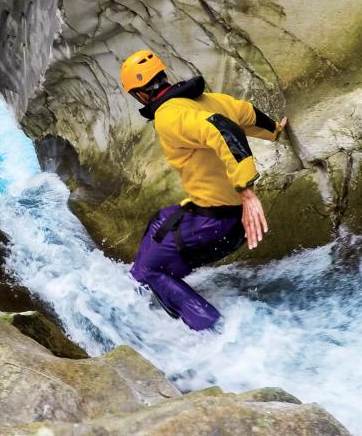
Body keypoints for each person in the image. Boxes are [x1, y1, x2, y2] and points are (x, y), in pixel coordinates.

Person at [122, 49, 286, 332]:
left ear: (141, 95)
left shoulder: (168, 117)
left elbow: (222, 129)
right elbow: (245, 113)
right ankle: (153, 293)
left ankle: (209, 329)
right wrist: (274, 130)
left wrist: (246, 191)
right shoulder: (206, 100)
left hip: (217, 223)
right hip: (218, 218)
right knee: (160, 221)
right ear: (162, 77)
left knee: (146, 269)